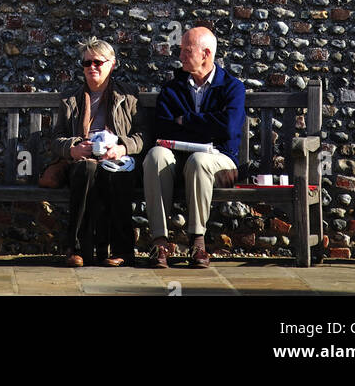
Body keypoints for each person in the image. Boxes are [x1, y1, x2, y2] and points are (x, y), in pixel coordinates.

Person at [143, 26, 245, 269]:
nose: (180, 56)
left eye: (186, 51)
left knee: (199, 160)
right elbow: (164, 130)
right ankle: (159, 242)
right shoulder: (172, 88)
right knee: (156, 155)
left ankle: (197, 242)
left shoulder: (232, 87)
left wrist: (186, 120)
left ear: (206, 54)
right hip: (177, 161)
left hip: (221, 162)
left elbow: (229, 129)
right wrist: (209, 124)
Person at [51, 37, 143, 267]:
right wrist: (73, 149)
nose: (92, 67)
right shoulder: (70, 99)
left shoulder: (129, 96)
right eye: (86, 63)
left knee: (116, 173)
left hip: (116, 158)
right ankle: (77, 250)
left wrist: (121, 147)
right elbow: (54, 139)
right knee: (87, 168)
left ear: (112, 64)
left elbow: (142, 136)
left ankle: (122, 250)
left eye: (98, 62)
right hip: (83, 159)